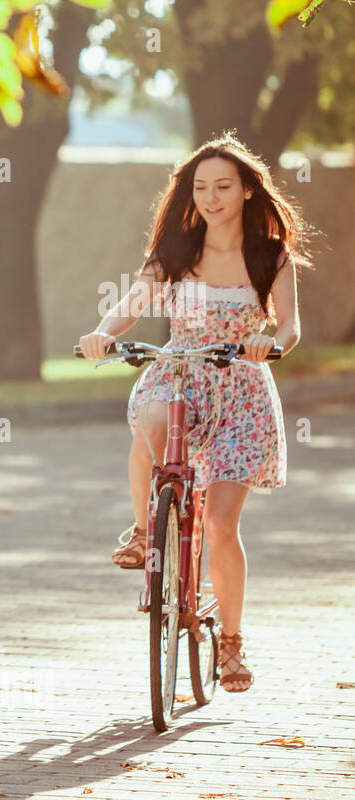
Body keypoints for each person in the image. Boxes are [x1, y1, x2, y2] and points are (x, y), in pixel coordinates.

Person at [78, 132, 311, 693]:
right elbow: (130, 308)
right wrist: (102, 334)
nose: (211, 197)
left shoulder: (270, 255)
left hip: (242, 391)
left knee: (220, 523)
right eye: (201, 187)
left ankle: (229, 643)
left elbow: (291, 327)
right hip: (180, 372)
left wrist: (269, 343)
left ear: (247, 191)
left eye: (223, 186)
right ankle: (144, 527)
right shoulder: (176, 251)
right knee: (150, 422)